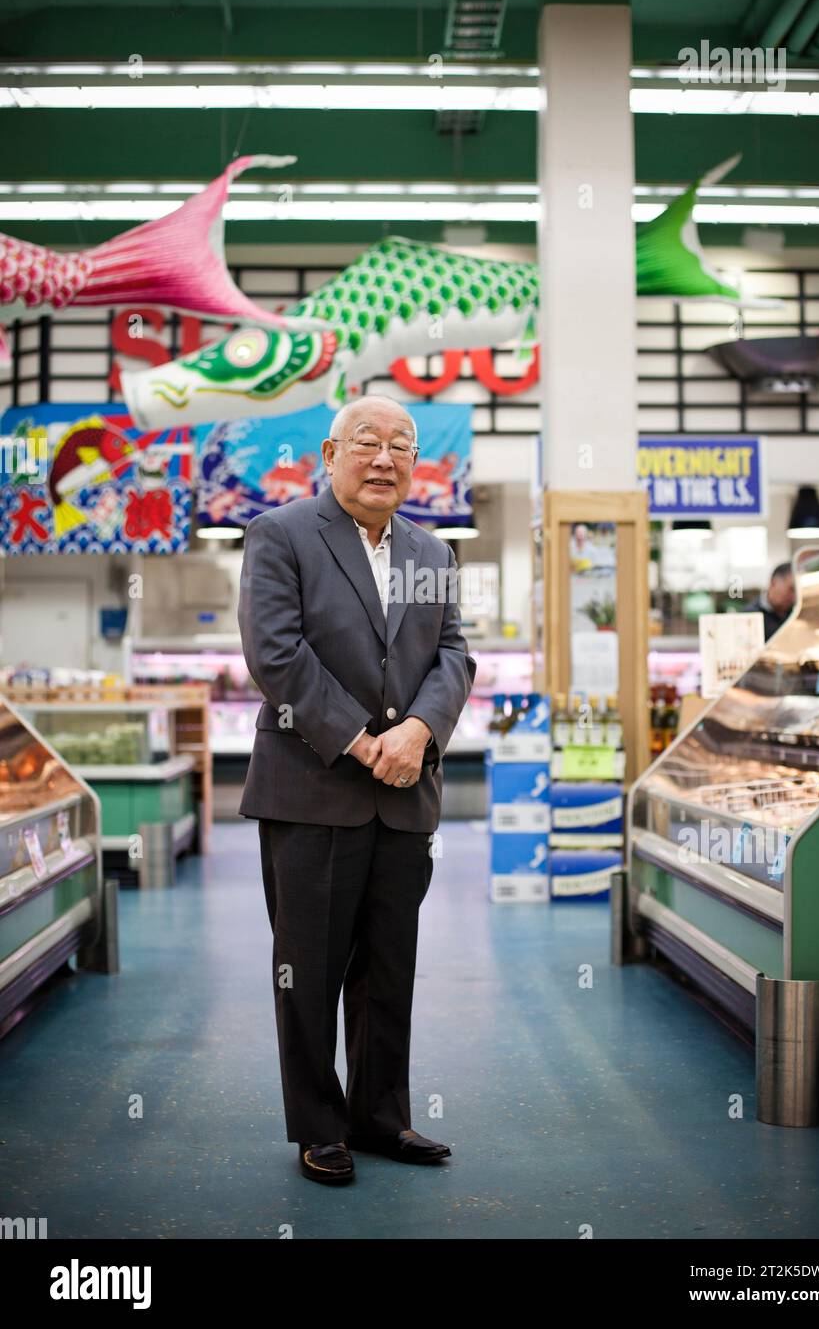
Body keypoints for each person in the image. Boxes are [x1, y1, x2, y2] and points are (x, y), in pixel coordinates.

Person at [237, 394, 476, 1185]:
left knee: (388, 965)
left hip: (405, 792)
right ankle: (318, 1124)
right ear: (332, 453)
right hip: (313, 790)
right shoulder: (281, 535)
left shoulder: (432, 552)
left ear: (416, 462)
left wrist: (420, 732)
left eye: (401, 446)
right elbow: (276, 654)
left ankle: (381, 1116)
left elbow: (453, 655)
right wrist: (363, 739)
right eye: (367, 443)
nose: (385, 459)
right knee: (307, 968)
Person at [744, 561, 796, 641]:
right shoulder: (750, 616)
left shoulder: (795, 613)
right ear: (773, 583)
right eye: (791, 589)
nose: (794, 596)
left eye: (797, 591)